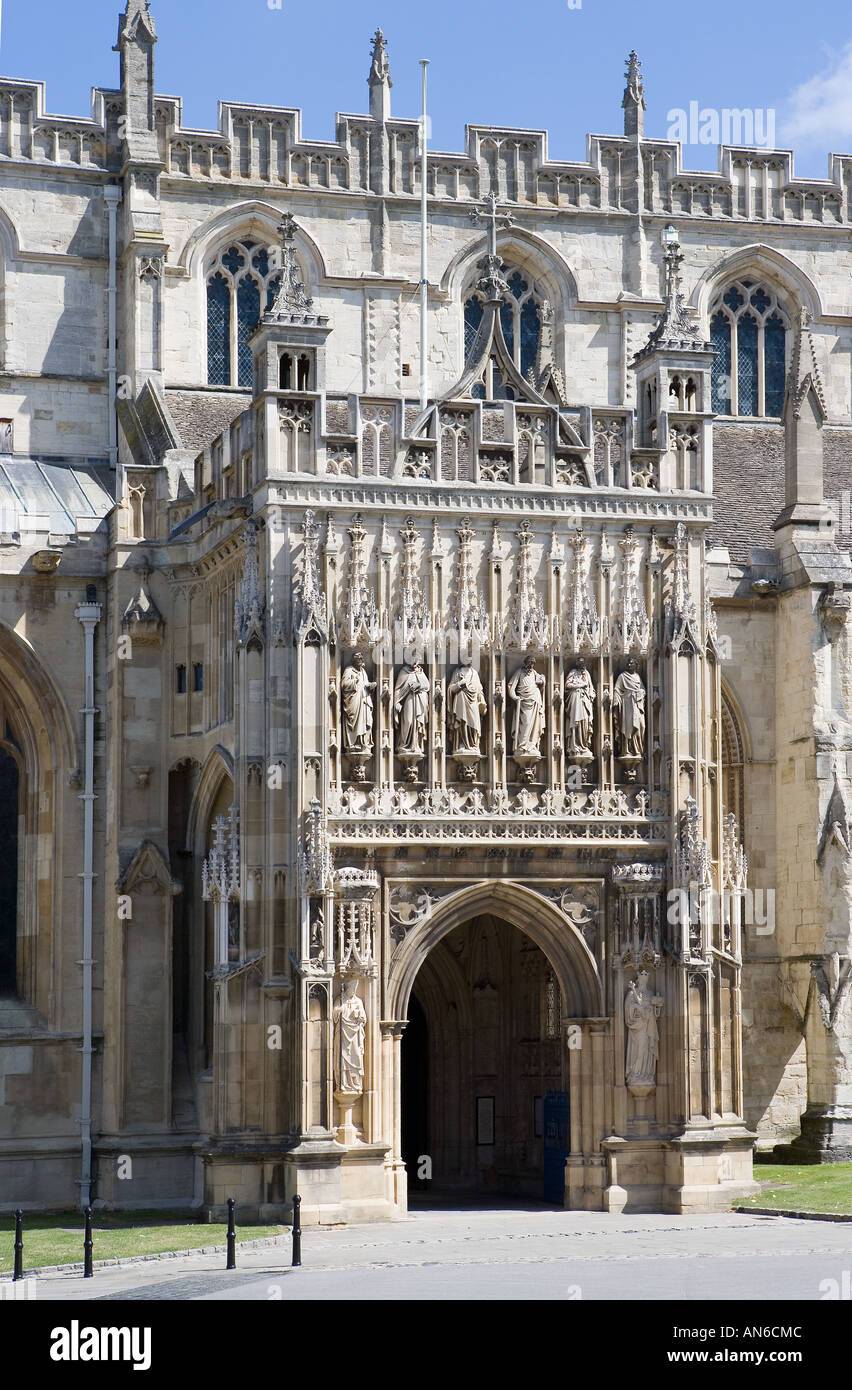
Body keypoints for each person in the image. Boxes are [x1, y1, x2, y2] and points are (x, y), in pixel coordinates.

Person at [447, 657, 487, 754]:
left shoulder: (475, 673)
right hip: (461, 699)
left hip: (473, 702)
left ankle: (473, 745)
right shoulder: (457, 672)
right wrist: (460, 683)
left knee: (474, 723)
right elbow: (450, 689)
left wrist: (482, 701)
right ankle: (461, 743)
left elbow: (479, 690)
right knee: (461, 721)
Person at [508, 656, 545, 756]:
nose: (531, 665)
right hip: (524, 702)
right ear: (525, 663)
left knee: (535, 725)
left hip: (535, 700)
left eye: (533, 663)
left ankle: (532, 745)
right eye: (529, 663)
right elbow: (511, 685)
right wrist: (515, 697)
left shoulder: (534, 673)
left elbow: (541, 682)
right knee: (526, 722)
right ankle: (522, 745)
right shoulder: (519, 672)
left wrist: (542, 681)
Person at [340, 652, 375, 751]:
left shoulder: (363, 671)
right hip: (354, 701)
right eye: (359, 659)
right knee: (355, 722)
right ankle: (354, 743)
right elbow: (344, 685)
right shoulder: (349, 670)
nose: (361, 661)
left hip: (364, 701)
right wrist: (354, 681)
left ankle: (364, 742)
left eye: (361, 659)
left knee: (367, 721)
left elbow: (365, 684)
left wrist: (370, 686)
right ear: (354, 660)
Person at [394, 660, 430, 754]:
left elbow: (427, 686)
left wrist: (419, 685)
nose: (414, 661)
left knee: (418, 723)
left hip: (420, 700)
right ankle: (404, 744)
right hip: (408, 699)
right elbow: (398, 688)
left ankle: (416, 745)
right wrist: (396, 702)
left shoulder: (421, 672)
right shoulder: (404, 671)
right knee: (408, 721)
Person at [613, 658, 646, 758]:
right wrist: (616, 699)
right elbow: (617, 690)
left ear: (636, 665)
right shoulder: (622, 676)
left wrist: (640, 693)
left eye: (631, 663)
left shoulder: (637, 677)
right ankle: (626, 750)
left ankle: (637, 750)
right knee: (627, 727)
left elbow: (643, 690)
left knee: (641, 726)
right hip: (626, 705)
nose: (629, 664)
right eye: (628, 663)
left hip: (636, 705)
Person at [565, 658, 595, 757]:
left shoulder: (587, 674)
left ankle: (584, 746)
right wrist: (579, 685)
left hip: (585, 701)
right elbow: (567, 685)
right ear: (577, 664)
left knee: (585, 722)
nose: (582, 665)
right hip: (575, 700)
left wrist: (591, 695)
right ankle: (574, 746)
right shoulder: (573, 672)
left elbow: (591, 688)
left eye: (583, 663)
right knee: (575, 722)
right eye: (580, 663)